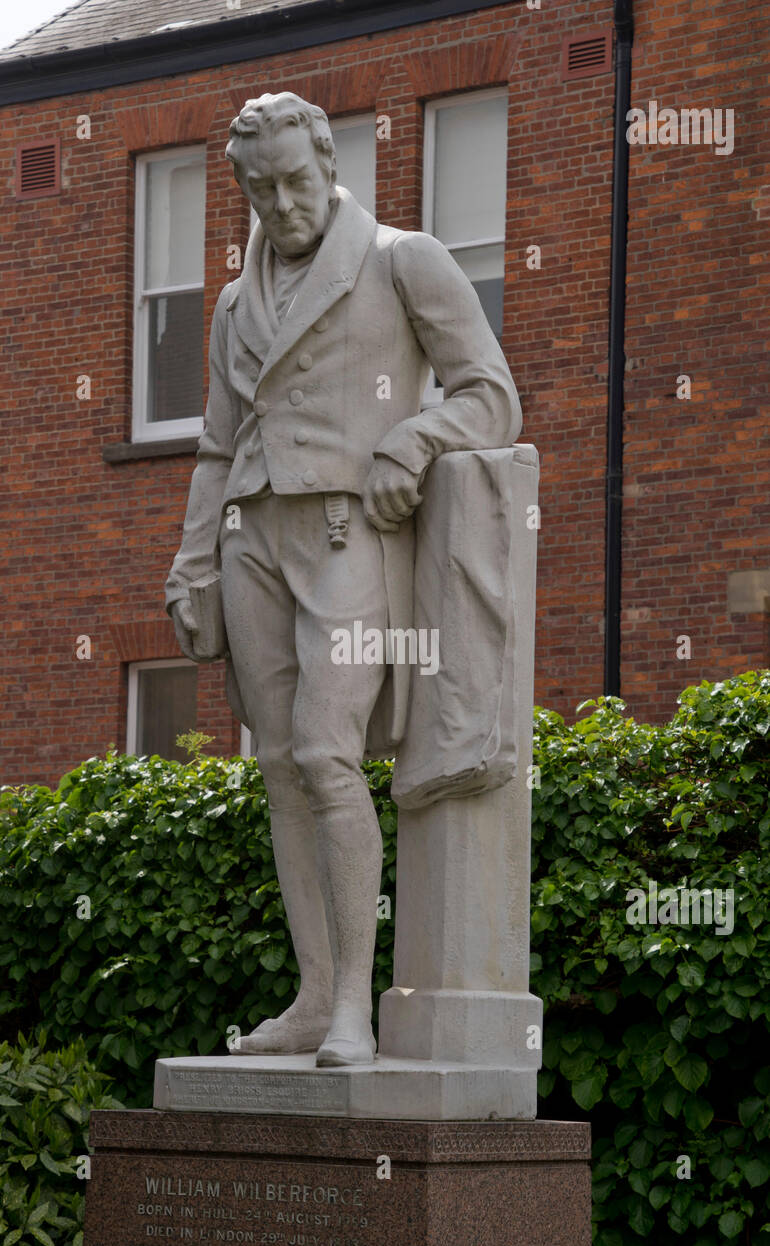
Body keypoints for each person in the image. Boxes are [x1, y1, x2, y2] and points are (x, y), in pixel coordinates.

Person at [165, 92, 521, 1066]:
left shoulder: (401, 260)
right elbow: (213, 445)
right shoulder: (235, 305)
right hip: (253, 540)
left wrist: (414, 437)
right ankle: (314, 994)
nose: (279, 203)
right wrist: (191, 559)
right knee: (279, 764)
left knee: (327, 756)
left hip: (344, 533)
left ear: (329, 167)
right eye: (259, 187)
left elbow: (490, 394)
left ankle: (357, 1006)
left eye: (294, 180)